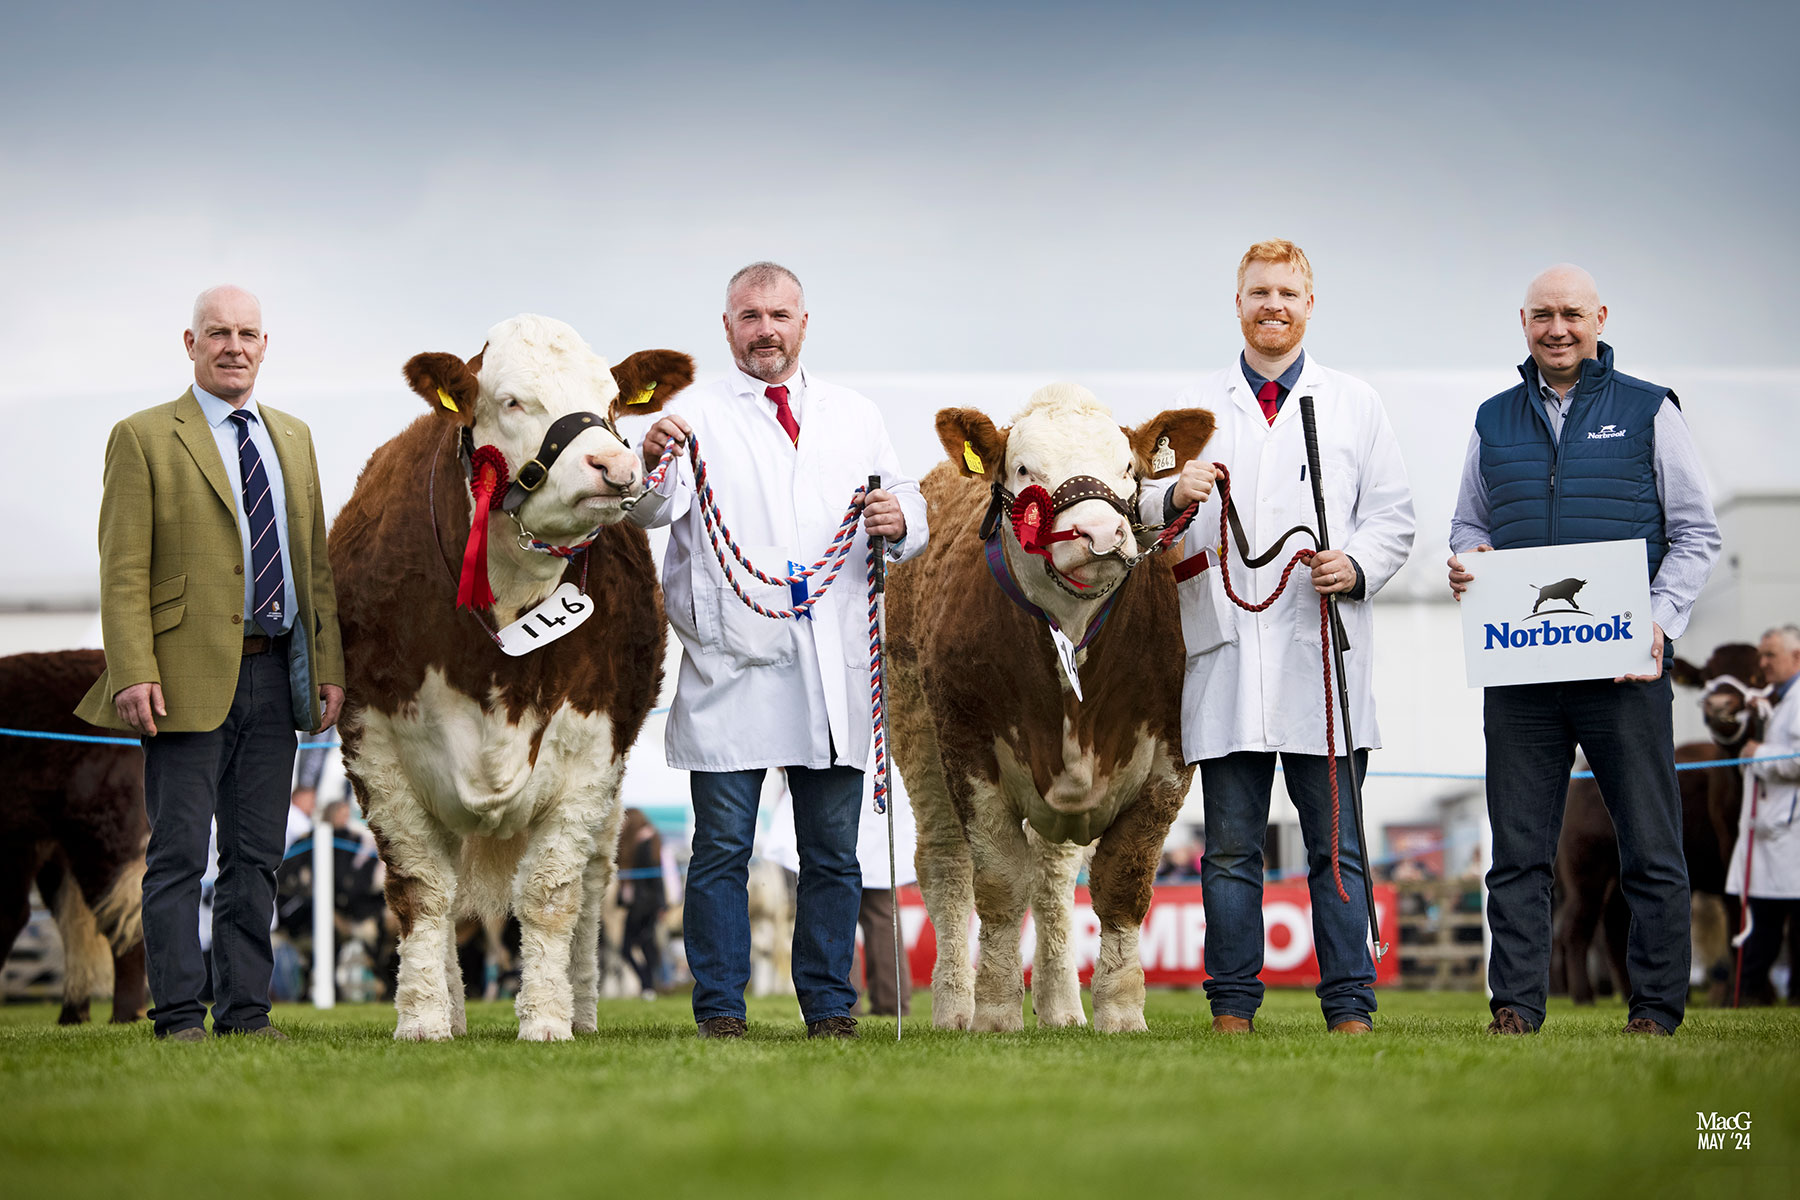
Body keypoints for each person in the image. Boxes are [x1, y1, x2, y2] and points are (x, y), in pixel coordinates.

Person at [631, 262, 928, 1039]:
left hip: (833, 669)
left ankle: (829, 1008)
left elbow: (903, 496)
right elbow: (650, 506)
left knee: (832, 855)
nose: (766, 330)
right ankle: (721, 1010)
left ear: (803, 323)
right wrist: (648, 449)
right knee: (722, 850)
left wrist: (903, 517)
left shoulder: (854, 414)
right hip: (732, 667)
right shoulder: (689, 415)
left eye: (779, 315)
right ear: (727, 326)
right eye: (750, 316)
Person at [1148, 239, 1415, 1035]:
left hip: (1320, 658)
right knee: (1231, 851)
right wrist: (1174, 493)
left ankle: (1350, 1007)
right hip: (1226, 657)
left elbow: (1394, 518)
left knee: (1337, 848)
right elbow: (1142, 513)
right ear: (1238, 303)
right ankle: (1232, 1008)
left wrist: (1357, 564)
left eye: (1288, 293)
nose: (1274, 305)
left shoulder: (1355, 404)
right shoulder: (1191, 410)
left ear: (1309, 304)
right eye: (1260, 292)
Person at [1447, 264, 1721, 1036]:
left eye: (1572, 313)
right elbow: (1468, 523)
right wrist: (1469, 561)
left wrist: (1658, 623)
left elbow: (1697, 533)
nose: (1557, 328)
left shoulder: (1650, 409)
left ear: (1600, 317)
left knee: (1651, 846)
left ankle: (1656, 1010)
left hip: (1625, 669)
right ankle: (1515, 1008)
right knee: (1518, 851)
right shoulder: (1492, 418)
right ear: (1523, 322)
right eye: (1543, 315)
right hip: (1521, 669)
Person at [76, 286, 344, 1041]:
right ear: (190, 344)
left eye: (248, 334)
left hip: (276, 674)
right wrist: (133, 668)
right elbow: (122, 570)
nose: (234, 346)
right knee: (178, 857)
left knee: (256, 857)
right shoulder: (142, 437)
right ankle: (177, 1017)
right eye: (218, 333)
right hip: (180, 679)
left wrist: (328, 666)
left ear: (265, 346)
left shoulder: (293, 436)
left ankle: (247, 1015)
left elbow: (313, 566)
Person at [1726, 625, 1800, 1003]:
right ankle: (1750, 993)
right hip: (1775, 830)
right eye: (1762, 655)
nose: (1763, 663)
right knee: (1767, 914)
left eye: (1771, 655)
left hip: (1790, 829)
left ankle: (1754, 993)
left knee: (1779, 917)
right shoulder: (1778, 700)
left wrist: (1759, 754)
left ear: (1797, 657)